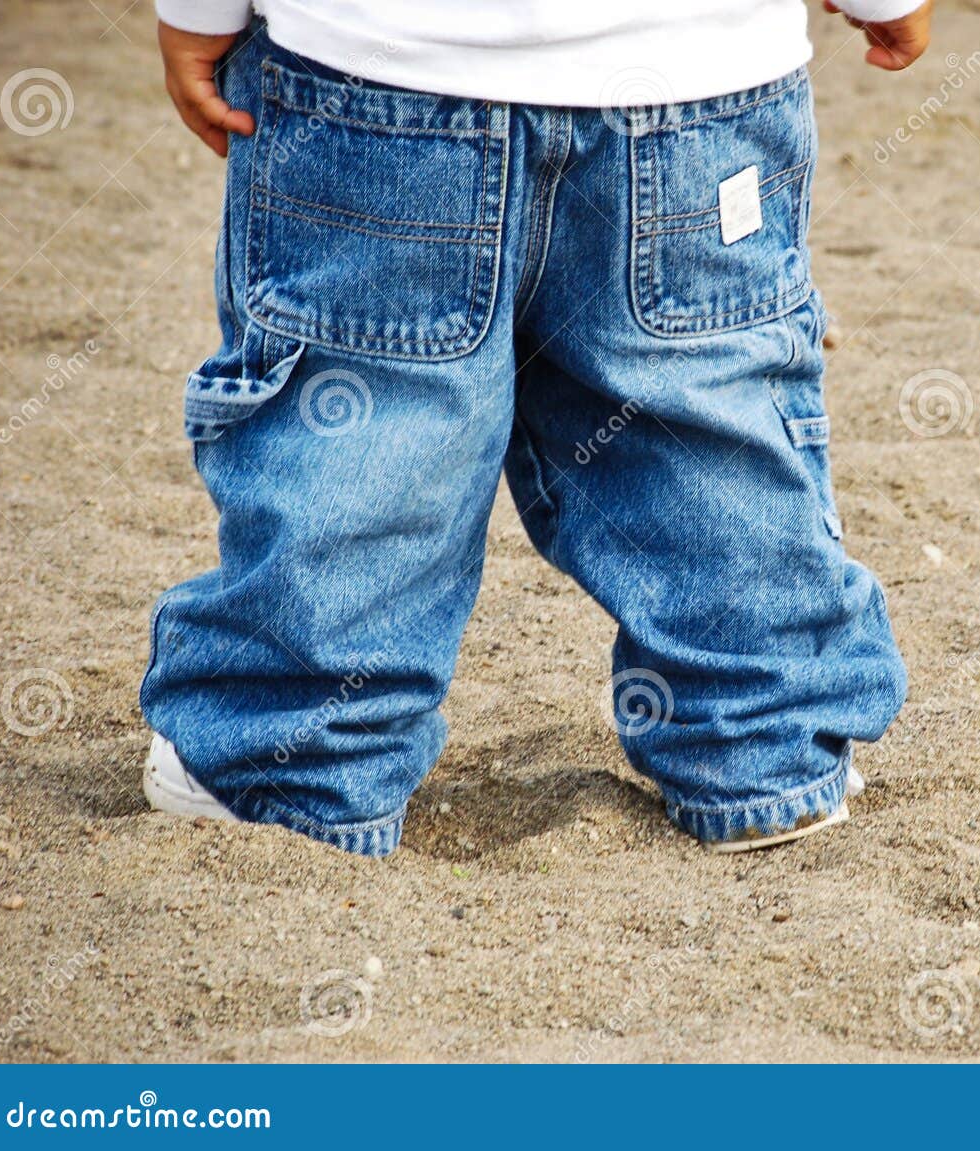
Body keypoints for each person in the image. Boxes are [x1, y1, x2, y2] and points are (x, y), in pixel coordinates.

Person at [140, 0, 925, 856]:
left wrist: (200, 12)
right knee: (703, 427)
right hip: (700, 88)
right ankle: (759, 739)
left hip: (378, 84)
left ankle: (292, 758)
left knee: (370, 446)